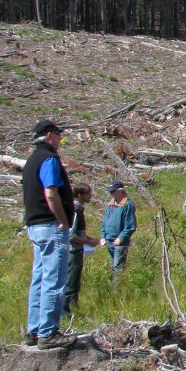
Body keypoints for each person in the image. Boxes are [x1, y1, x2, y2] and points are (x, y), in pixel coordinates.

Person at [22, 119, 77, 349]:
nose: (60, 140)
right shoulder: (49, 159)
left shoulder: (31, 161)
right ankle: (48, 332)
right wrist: (63, 221)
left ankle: (34, 330)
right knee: (54, 279)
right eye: (58, 135)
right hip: (50, 224)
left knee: (40, 278)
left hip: (35, 225)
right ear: (49, 136)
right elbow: (51, 193)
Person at [63, 183, 99, 314]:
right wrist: (88, 242)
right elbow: (71, 236)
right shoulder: (75, 210)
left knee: (74, 282)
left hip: (76, 250)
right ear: (79, 195)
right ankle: (67, 312)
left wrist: (90, 240)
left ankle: (73, 311)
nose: (91, 196)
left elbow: (78, 233)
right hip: (73, 251)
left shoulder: (77, 209)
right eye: (88, 193)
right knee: (71, 283)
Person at [100, 180, 137, 282]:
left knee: (118, 268)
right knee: (113, 267)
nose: (110, 193)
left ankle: (118, 292)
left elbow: (130, 226)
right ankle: (114, 290)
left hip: (120, 243)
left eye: (112, 191)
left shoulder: (128, 205)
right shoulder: (111, 204)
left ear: (120, 191)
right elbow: (104, 222)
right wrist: (103, 236)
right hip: (109, 241)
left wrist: (120, 239)